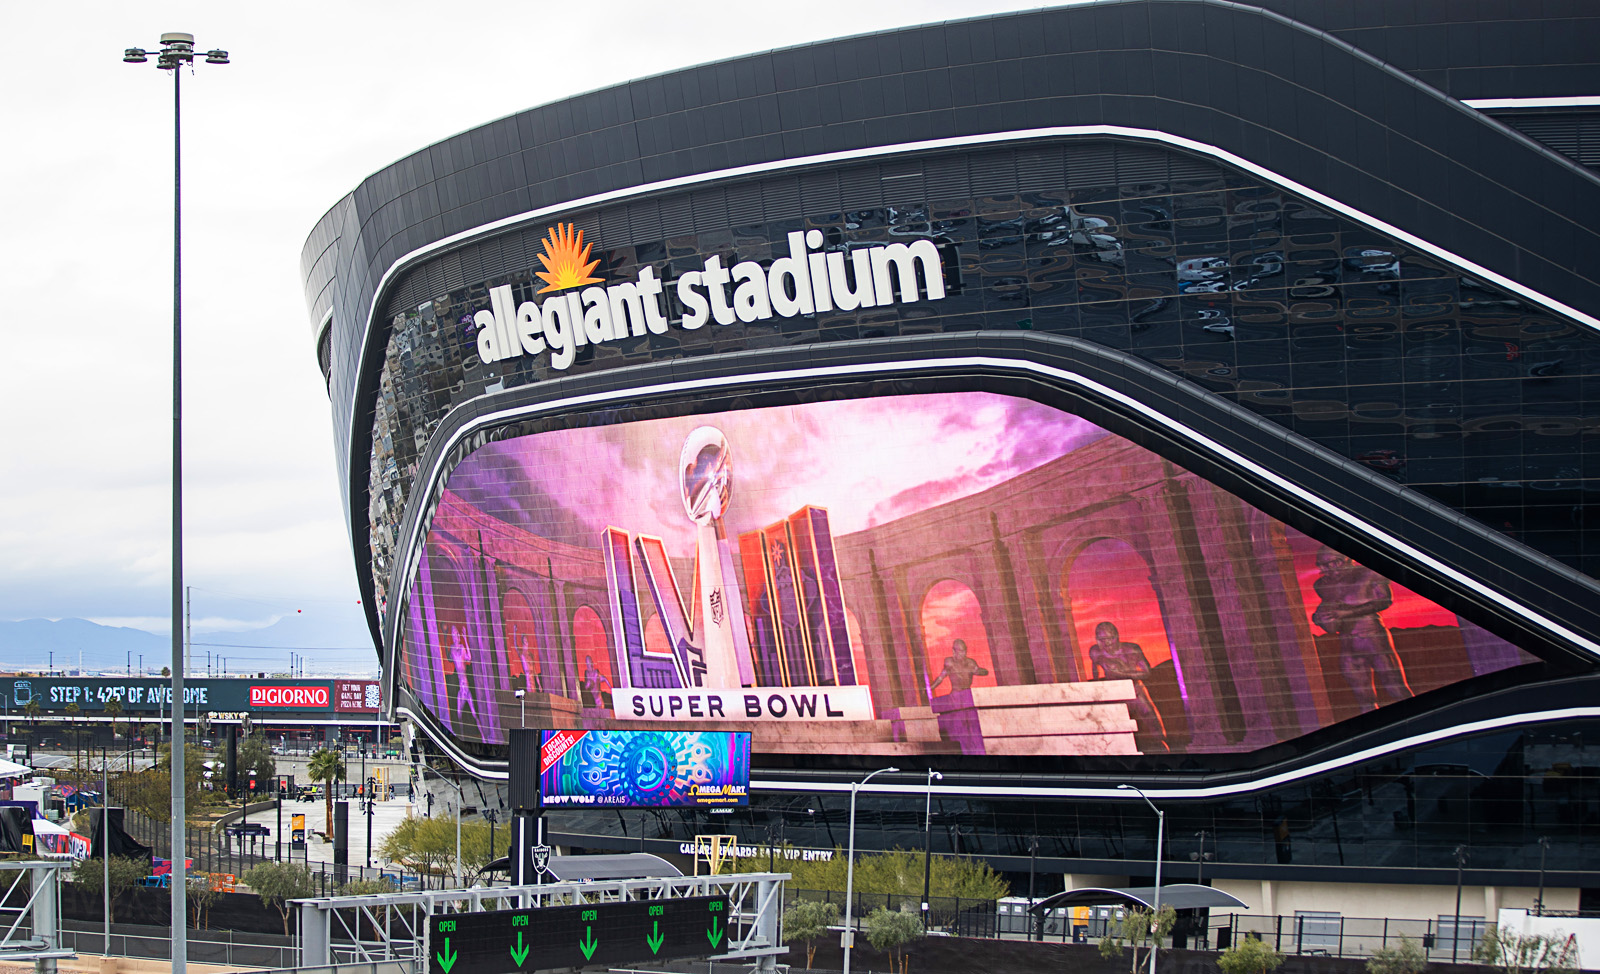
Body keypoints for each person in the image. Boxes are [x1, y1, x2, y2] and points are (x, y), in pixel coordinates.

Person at [1311, 548, 1413, 712]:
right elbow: (1326, 606)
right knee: (1363, 697)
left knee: (1395, 687)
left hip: (1372, 637)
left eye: (1326, 565)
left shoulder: (1369, 573)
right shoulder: (1322, 584)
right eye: (1320, 566)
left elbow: (1384, 601)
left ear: (1340, 561)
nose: (1322, 570)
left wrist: (1348, 613)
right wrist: (1318, 617)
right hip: (1347, 642)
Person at [1088, 621, 1168, 751]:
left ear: (1116, 636)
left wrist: (1122, 673)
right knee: (1115, 721)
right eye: (1102, 640)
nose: (1107, 643)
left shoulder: (1131, 650)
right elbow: (1095, 670)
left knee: (1149, 715)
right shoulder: (1096, 652)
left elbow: (1147, 672)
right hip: (1114, 690)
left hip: (1134, 688)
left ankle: (1161, 744)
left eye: (1110, 638)